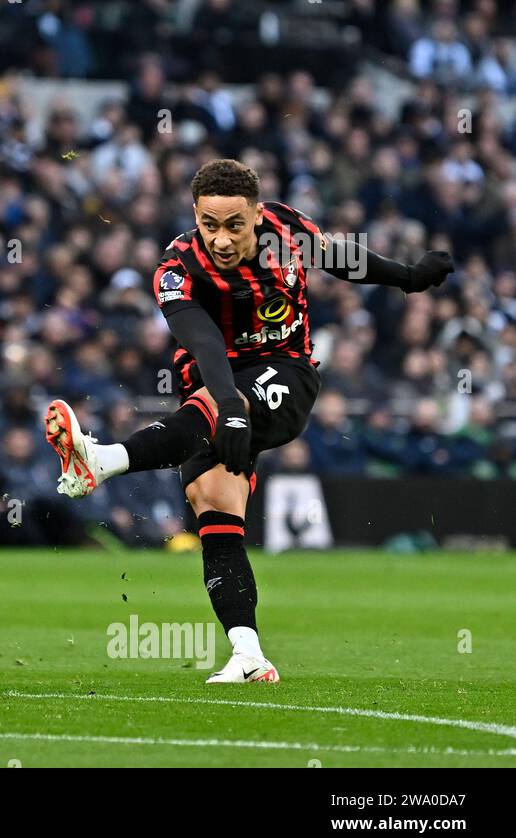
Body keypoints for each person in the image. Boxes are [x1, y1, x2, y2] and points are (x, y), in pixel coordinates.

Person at [44, 158, 453, 683]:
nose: (220, 238)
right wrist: (231, 408)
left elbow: (337, 257)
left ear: (257, 215)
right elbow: (205, 343)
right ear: (195, 215)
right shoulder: (177, 269)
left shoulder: (287, 231)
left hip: (288, 373)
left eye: (234, 225)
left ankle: (101, 460)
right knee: (215, 509)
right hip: (214, 385)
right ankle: (249, 654)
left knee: (215, 414)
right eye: (208, 224)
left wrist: (409, 278)